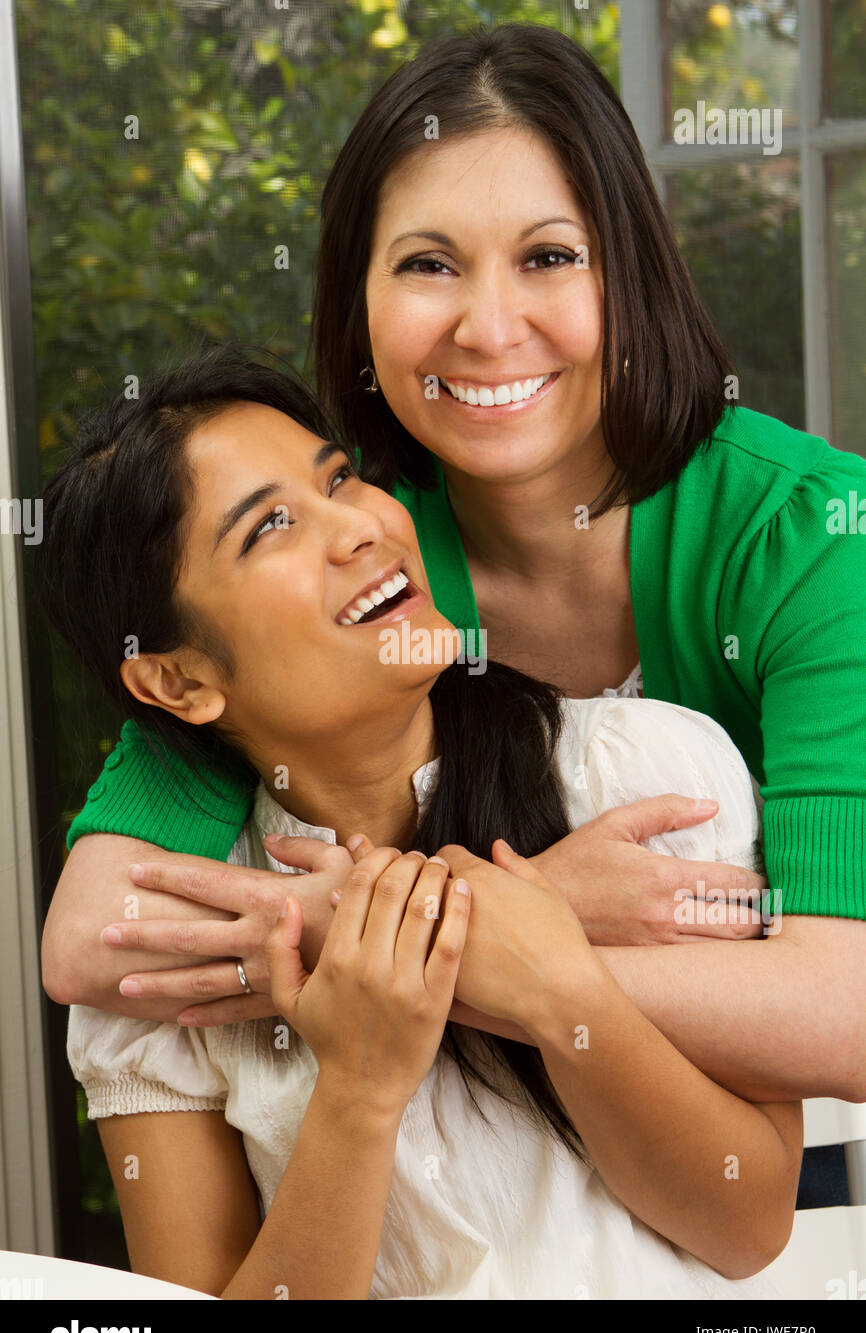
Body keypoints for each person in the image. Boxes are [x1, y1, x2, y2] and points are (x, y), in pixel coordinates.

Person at [41, 26, 866, 1210]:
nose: (486, 327)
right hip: (470, 1173)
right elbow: (93, 939)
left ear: (624, 269)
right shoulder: (365, 546)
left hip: (754, 1169)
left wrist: (403, 936)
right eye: (428, 264)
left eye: (546, 256)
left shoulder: (805, 537)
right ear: (358, 295)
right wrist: (529, 922)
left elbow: (839, 1012)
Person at [37, 349, 800, 1298]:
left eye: (339, 478)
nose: (360, 527)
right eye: (270, 526)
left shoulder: (639, 775)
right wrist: (357, 1091)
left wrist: (566, 992)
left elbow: (748, 1227)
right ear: (178, 680)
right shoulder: (168, 958)